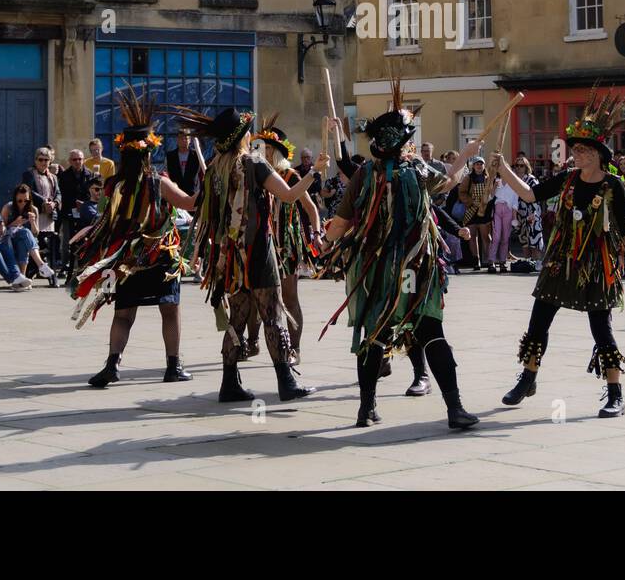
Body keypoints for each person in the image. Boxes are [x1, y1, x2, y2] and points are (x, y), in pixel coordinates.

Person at [321, 80, 481, 430]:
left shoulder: (363, 175)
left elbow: (338, 226)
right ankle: (454, 408)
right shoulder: (419, 172)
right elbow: (450, 182)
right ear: (404, 143)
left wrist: (326, 240)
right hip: (416, 268)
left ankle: (366, 409)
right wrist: (467, 157)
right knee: (431, 330)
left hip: (377, 269)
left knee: (374, 333)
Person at [492, 90, 625, 419]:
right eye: (575, 150)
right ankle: (528, 378)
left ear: (599, 154)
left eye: (584, 150)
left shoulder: (613, 185)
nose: (577, 155)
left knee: (601, 328)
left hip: (596, 263)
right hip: (561, 260)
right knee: (538, 322)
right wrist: (504, 170)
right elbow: (530, 195)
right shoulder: (568, 178)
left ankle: (615, 393)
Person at [178, 105, 324, 403]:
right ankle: (286, 382)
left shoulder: (215, 168)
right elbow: (289, 195)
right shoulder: (254, 163)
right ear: (242, 136)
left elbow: (200, 208)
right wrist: (315, 173)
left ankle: (229, 383)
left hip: (229, 254)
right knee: (272, 314)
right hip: (258, 249)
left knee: (239, 317)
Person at [71, 90, 202, 387]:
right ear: (148, 153)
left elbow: (106, 221)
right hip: (159, 255)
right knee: (169, 310)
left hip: (128, 259)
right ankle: (173, 366)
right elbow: (190, 204)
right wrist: (209, 186)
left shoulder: (114, 185)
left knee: (123, 313)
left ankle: (112, 365)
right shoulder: (159, 182)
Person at [242, 117, 322, 364]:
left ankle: (294, 349)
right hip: (262, 241)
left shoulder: (290, 176)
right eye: (259, 147)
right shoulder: (255, 174)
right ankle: (252, 342)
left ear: (275, 151)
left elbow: (310, 208)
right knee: (255, 295)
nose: (261, 151)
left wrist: (317, 234)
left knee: (289, 297)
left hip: (286, 244)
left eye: (266, 148)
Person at [0, 185, 57, 286]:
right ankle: (41, 265)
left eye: (25, 200)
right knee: (25, 232)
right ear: (15, 199)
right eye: (20, 201)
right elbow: (1, 231)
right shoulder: (8, 207)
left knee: (24, 239)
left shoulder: (33, 209)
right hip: (9, 241)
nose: (23, 203)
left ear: (29, 199)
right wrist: (15, 223)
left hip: (26, 242)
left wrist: (33, 222)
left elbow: (36, 233)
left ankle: (21, 279)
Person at [453, 157, 494, 270]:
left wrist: (486, 203)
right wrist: (472, 202)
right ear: (473, 166)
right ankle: (476, 260)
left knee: (486, 237)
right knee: (472, 237)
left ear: (484, 165)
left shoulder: (488, 178)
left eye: (481, 164)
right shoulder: (468, 178)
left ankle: (490, 260)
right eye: (477, 164)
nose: (479, 166)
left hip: (485, 210)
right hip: (471, 211)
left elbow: (493, 192)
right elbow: (461, 192)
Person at [510, 155, 544, 257]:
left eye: (521, 165)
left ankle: (536, 263)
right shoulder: (513, 179)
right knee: (524, 240)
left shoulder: (531, 179)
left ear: (526, 167)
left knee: (534, 240)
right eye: (516, 165)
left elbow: (537, 196)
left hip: (531, 213)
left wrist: (534, 214)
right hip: (519, 213)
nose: (519, 168)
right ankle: (528, 264)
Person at [490, 168, 519, 273]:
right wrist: (494, 186)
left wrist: (515, 217)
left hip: (508, 210)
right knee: (496, 236)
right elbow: (491, 196)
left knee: (505, 238)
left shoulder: (514, 184)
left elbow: (515, 201)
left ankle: (502, 261)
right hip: (497, 210)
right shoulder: (497, 181)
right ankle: (492, 261)